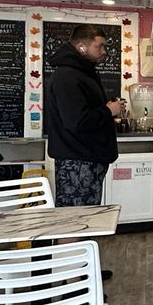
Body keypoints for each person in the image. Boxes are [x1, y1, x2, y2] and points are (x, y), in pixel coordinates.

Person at [44, 25, 122, 207]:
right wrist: (108, 110)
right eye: (99, 46)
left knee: (86, 213)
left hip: (86, 157)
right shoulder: (68, 76)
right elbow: (76, 121)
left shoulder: (82, 73)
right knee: (76, 216)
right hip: (78, 161)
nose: (104, 52)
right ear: (81, 47)